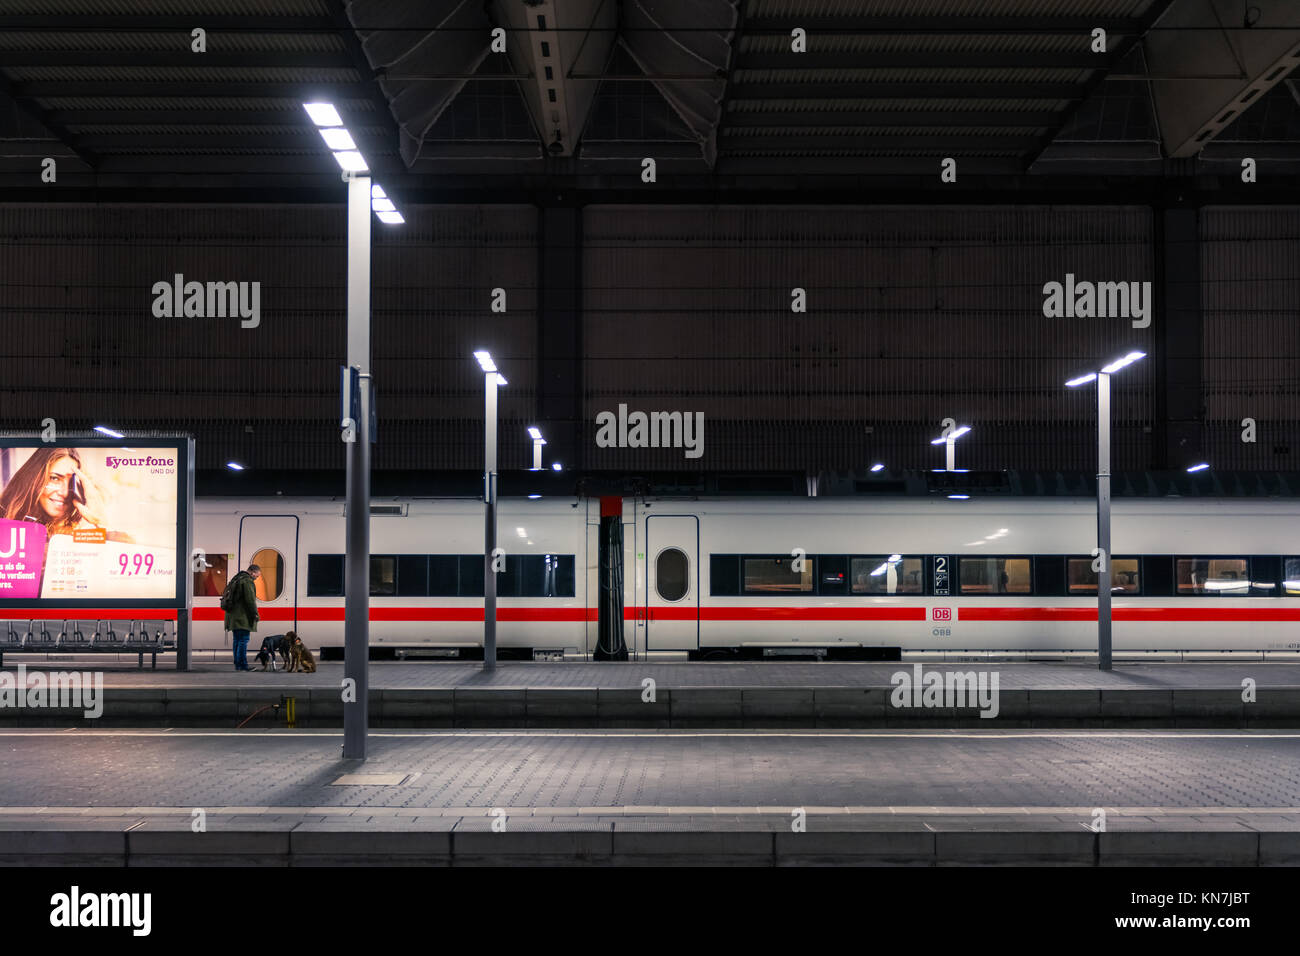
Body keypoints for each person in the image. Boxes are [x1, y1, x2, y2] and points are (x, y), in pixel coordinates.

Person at [224, 563, 261, 672]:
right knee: (243, 640)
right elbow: (250, 600)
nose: (256, 578)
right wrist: (255, 614)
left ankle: (238, 664)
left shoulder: (237, 578)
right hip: (242, 617)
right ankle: (243, 665)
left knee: (237, 640)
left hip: (233, 616)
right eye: (257, 576)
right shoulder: (247, 581)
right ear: (252, 572)